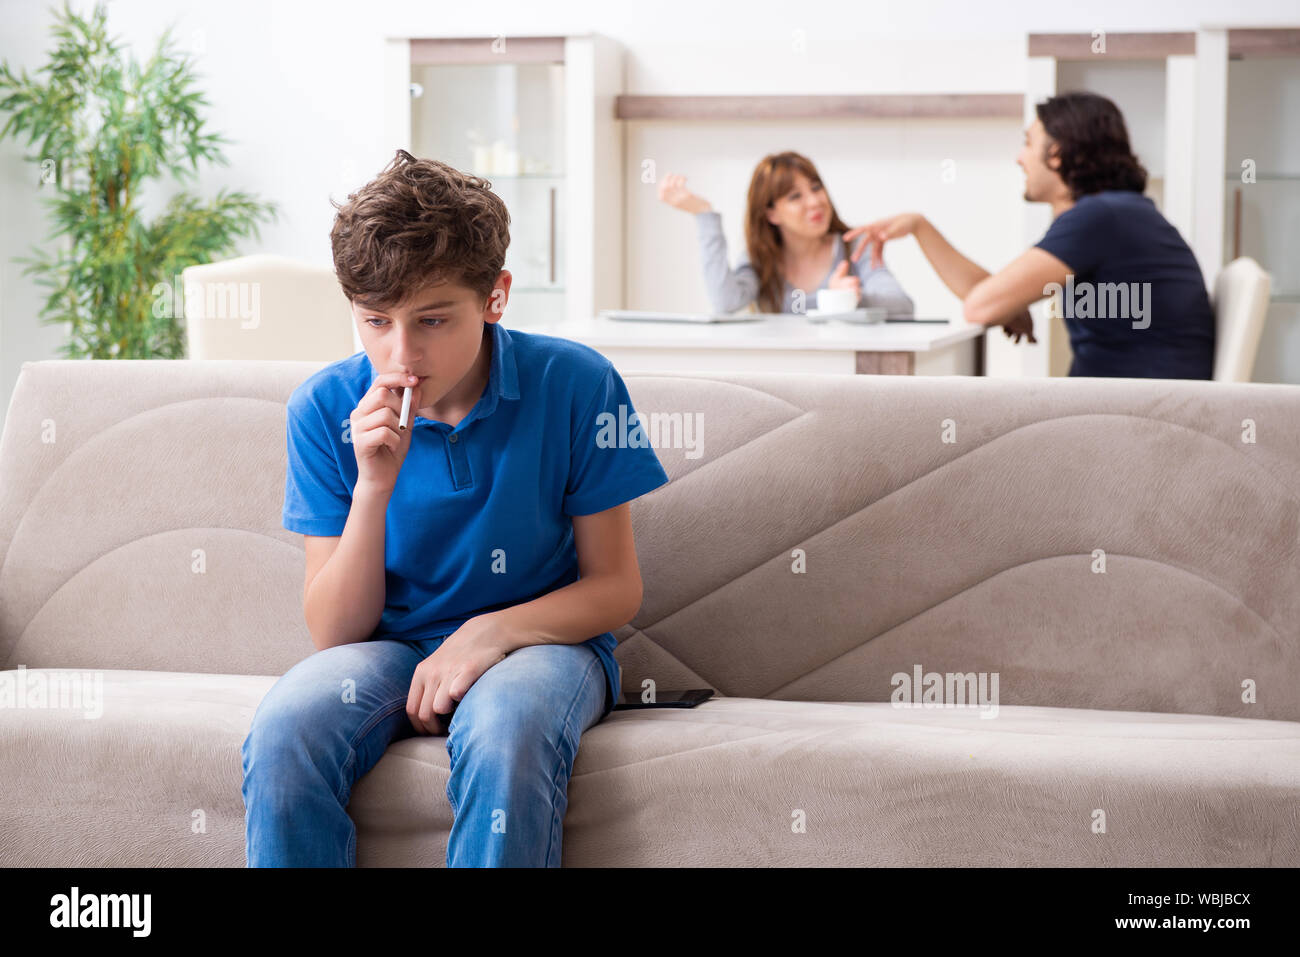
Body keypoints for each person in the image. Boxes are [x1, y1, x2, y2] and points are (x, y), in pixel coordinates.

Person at [241, 149, 670, 867]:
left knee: (509, 724)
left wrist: (488, 632)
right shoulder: (322, 408)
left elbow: (616, 587)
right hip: (385, 648)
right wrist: (373, 484)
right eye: (375, 321)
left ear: (495, 297)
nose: (400, 354)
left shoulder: (578, 384)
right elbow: (334, 632)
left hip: (542, 645)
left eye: (432, 320)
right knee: (286, 729)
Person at [847, 91, 1216, 377]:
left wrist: (1003, 303)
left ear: (1056, 154)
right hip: (1136, 407)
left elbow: (979, 305)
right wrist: (919, 227)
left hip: (1137, 416)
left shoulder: (1098, 218)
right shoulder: (1116, 213)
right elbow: (989, 297)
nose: (1019, 158)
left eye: (1027, 143)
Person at [658, 151, 915, 317]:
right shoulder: (761, 258)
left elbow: (902, 305)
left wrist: (848, 300)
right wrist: (704, 215)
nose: (815, 202)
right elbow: (725, 302)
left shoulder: (855, 245)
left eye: (816, 188)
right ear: (771, 214)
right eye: (795, 196)